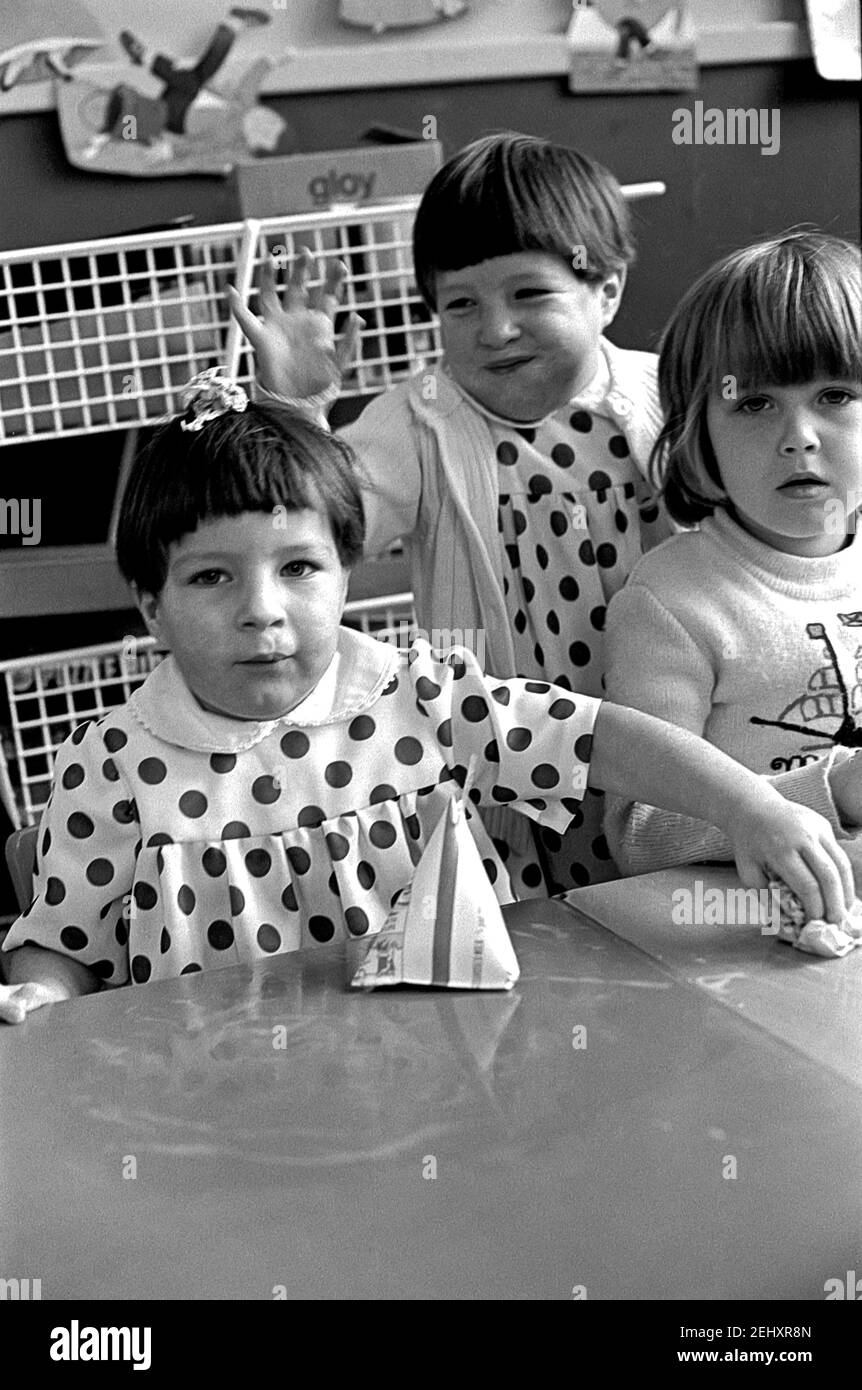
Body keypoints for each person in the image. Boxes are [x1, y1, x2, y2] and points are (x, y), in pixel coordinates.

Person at [0, 370, 853, 1022]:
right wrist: (37, 1000)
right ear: (152, 605)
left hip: (458, 1078)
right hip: (221, 1112)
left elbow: (599, 740)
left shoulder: (425, 696)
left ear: (345, 576)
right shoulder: (109, 763)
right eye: (211, 577)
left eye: (298, 569)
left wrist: (751, 808)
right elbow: (62, 945)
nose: (262, 611)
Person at [228, 131, 669, 896]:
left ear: (607, 290)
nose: (494, 330)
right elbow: (317, 527)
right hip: (503, 767)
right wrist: (297, 413)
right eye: (460, 304)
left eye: (529, 294)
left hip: (670, 748)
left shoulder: (667, 395)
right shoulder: (418, 422)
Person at [602, 231, 862, 876]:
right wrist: (832, 793)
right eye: (753, 404)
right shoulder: (671, 601)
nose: (798, 438)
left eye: (834, 396)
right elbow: (639, 834)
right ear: (699, 435)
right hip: (753, 945)